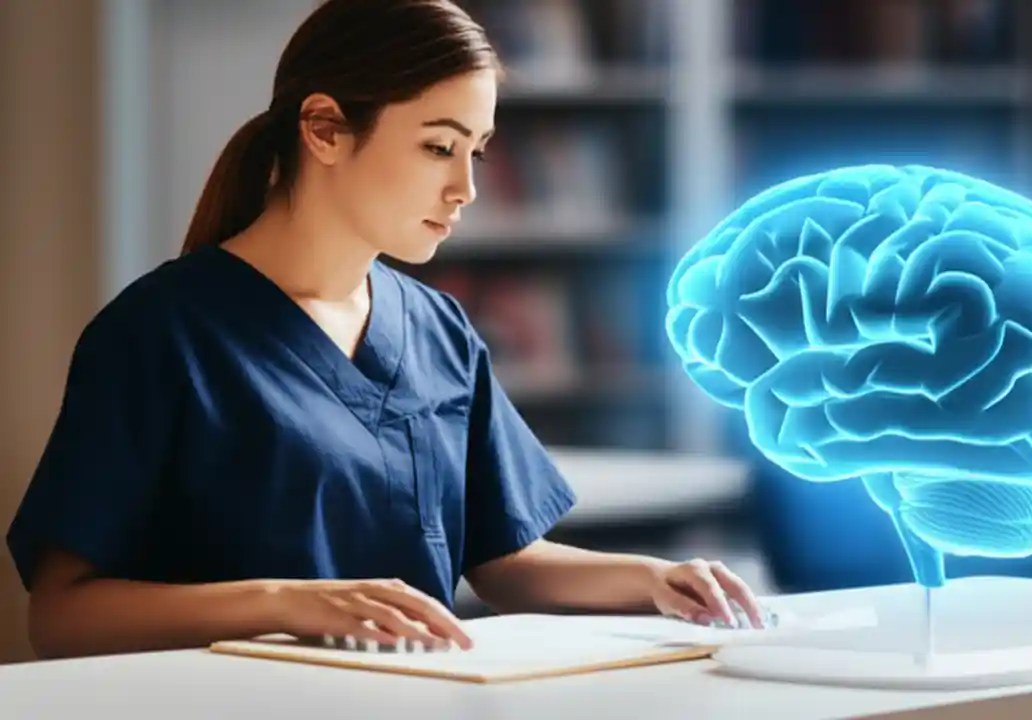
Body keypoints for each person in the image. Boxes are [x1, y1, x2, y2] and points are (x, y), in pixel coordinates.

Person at [5, 0, 763, 660]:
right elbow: (64, 615)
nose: (466, 188)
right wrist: (284, 603)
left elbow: (503, 563)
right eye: (439, 146)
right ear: (325, 128)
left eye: (477, 152)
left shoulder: (437, 330)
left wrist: (652, 580)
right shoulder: (160, 335)